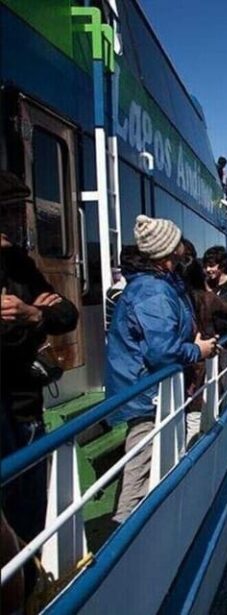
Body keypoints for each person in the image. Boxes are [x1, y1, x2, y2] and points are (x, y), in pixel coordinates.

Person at [106, 215, 217, 523]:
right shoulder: (152, 292)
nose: (184, 248)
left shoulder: (162, 283)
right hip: (146, 392)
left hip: (151, 388)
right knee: (141, 463)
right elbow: (161, 351)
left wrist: (190, 335)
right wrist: (199, 349)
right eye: (179, 242)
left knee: (154, 456)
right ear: (168, 253)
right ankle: (124, 529)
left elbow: (164, 334)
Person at [0, 171, 79, 546]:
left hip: (25, 408)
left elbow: (66, 313)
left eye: (19, 210)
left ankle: (27, 587)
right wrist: (35, 319)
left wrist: (31, 315)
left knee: (29, 509)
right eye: (10, 212)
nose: (19, 220)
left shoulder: (18, 262)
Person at [177, 241, 227, 445]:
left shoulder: (174, 298)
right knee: (196, 411)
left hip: (180, 367)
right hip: (198, 364)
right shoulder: (207, 298)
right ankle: (192, 452)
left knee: (186, 411)